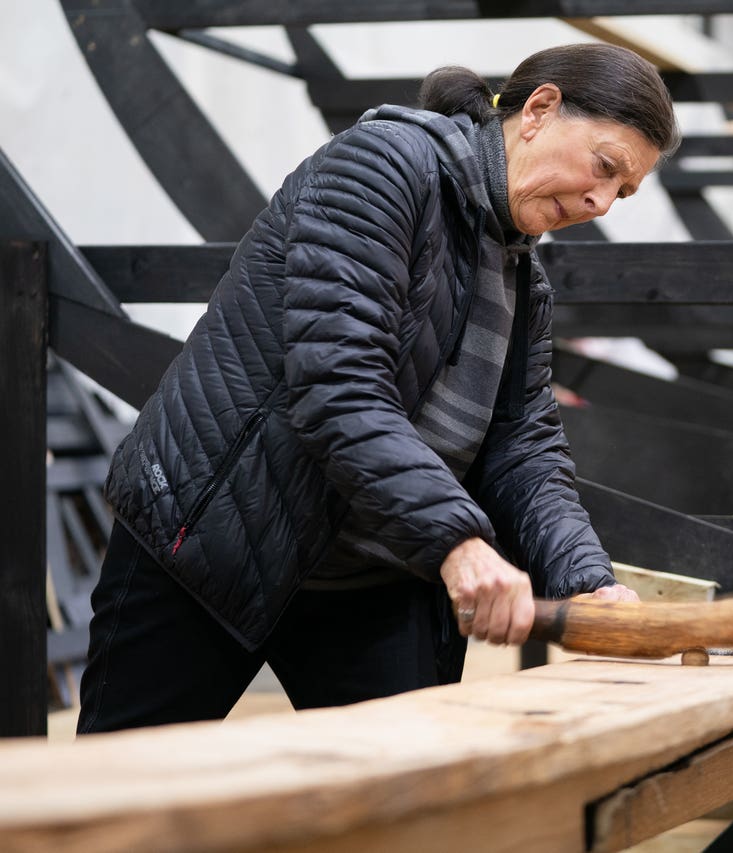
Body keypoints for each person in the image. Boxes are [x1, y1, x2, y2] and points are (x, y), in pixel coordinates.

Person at [77, 43, 680, 733]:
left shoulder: (522, 279)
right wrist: (458, 542)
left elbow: (524, 449)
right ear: (540, 109)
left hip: (372, 572)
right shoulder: (383, 168)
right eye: (604, 166)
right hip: (215, 539)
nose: (601, 202)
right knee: (123, 781)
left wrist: (589, 582)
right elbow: (338, 385)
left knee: (415, 784)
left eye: (622, 192)